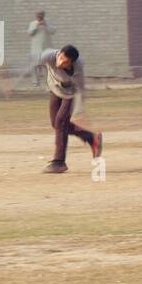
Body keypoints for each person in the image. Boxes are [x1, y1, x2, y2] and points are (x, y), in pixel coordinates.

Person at [37, 44, 102, 174]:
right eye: (60, 57)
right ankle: (92, 137)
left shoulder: (78, 68)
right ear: (59, 52)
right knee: (56, 124)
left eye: (65, 61)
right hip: (55, 88)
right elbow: (36, 60)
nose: (60, 62)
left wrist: (79, 111)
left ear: (71, 62)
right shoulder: (48, 56)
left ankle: (59, 162)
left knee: (61, 121)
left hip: (70, 93)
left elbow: (80, 90)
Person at [26, 11, 55, 86]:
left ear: (44, 15)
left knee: (47, 66)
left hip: (47, 48)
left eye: (41, 15)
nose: (39, 16)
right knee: (34, 65)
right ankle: (35, 82)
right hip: (35, 49)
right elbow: (30, 33)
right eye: (38, 15)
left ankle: (48, 81)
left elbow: (53, 31)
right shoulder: (32, 23)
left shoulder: (48, 22)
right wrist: (37, 26)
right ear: (36, 16)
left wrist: (46, 25)